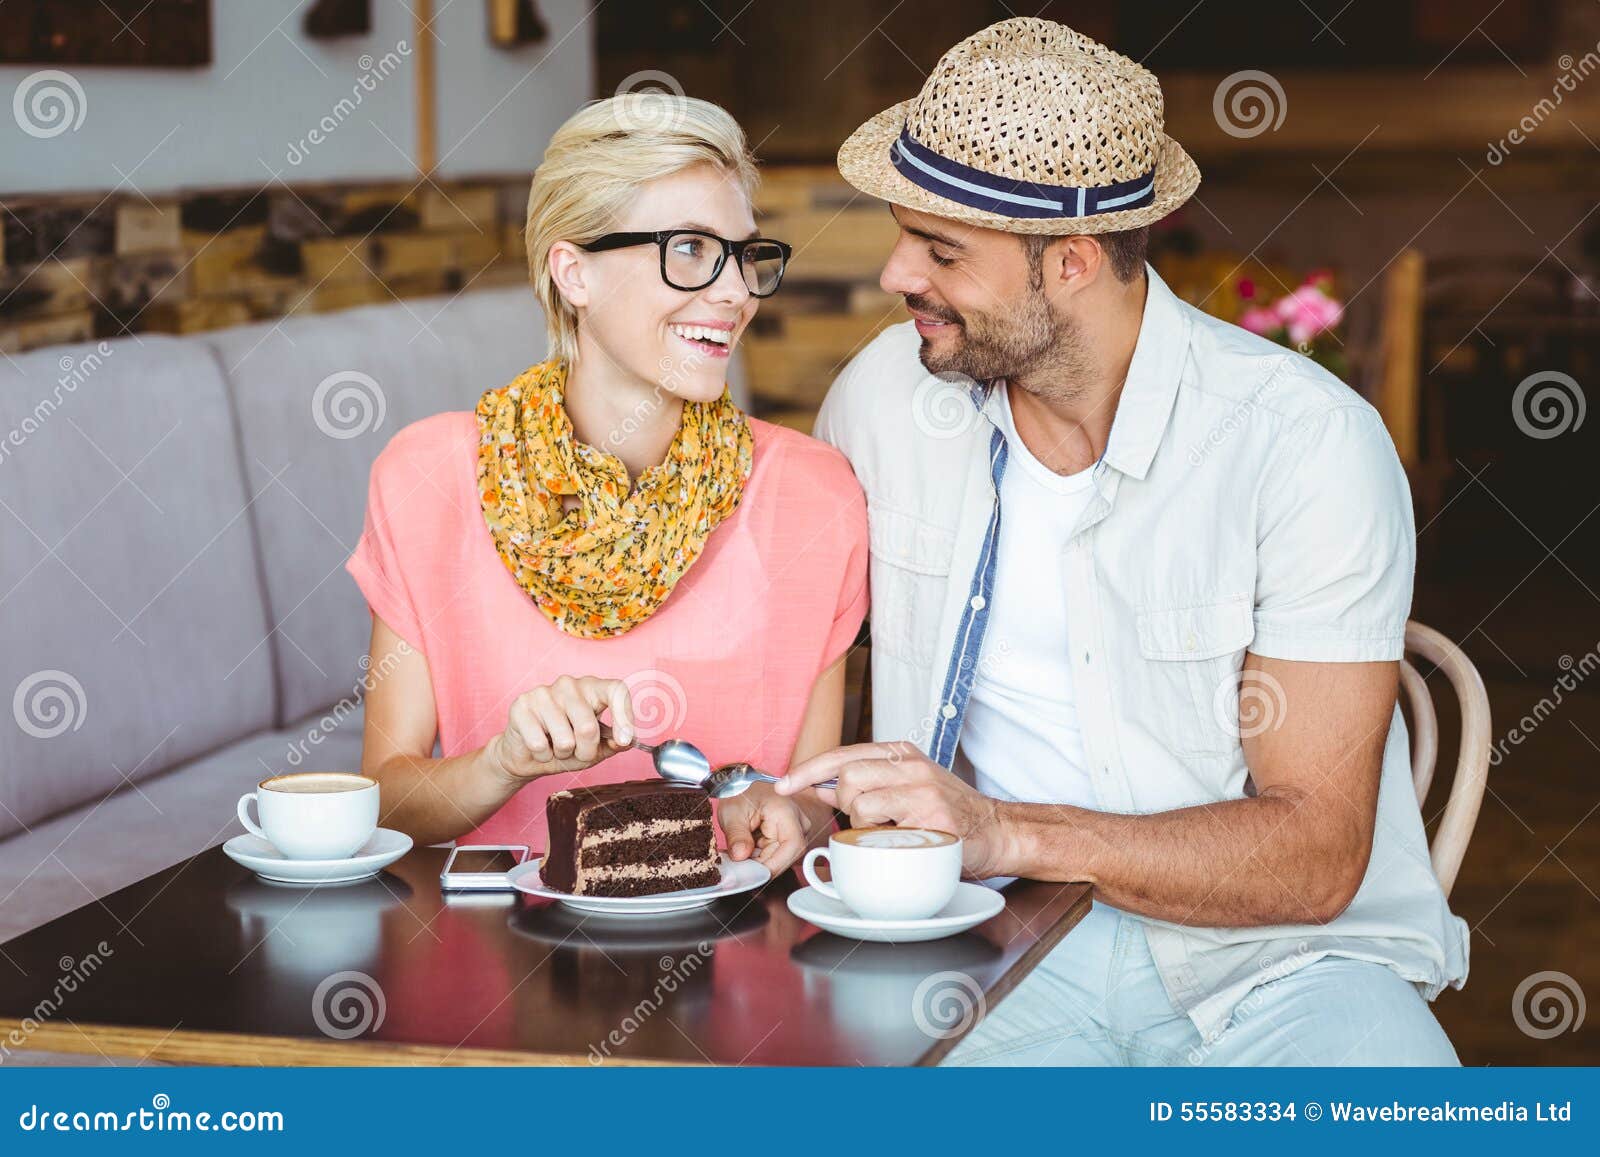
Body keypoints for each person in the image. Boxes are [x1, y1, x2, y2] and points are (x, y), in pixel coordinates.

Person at [780, 18, 1468, 1065]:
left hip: (1279, 969)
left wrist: (1003, 828)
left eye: (941, 250)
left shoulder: (1304, 443)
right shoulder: (885, 398)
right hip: (985, 950)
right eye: (901, 232)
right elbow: (790, 638)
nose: (894, 276)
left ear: (1070, 261)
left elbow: (1315, 856)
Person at [345, 94, 866, 873]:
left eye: (744, 255)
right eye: (689, 248)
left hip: (736, 964)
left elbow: (818, 796)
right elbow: (383, 799)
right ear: (573, 271)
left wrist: (790, 810)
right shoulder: (427, 479)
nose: (734, 293)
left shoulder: (817, 497)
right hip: (499, 967)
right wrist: (504, 762)